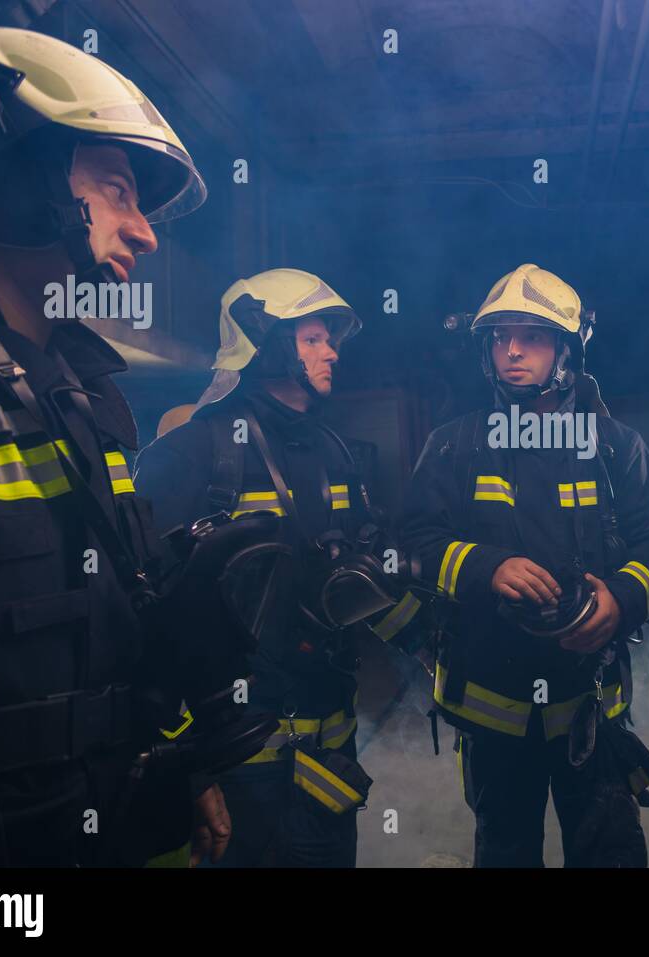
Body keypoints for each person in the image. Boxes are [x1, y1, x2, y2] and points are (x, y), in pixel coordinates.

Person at [0, 20, 226, 866]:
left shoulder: (87, 394)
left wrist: (183, 761)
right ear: (15, 174)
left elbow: (112, 621)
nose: (146, 233)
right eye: (119, 192)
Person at [134, 268, 416, 867]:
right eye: (312, 339)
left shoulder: (333, 451)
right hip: (238, 765)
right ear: (264, 345)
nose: (331, 352)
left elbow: (360, 570)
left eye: (329, 339)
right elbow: (146, 620)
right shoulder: (192, 453)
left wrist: (429, 646)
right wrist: (184, 764)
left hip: (331, 750)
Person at [401, 264, 649, 866]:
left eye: (532, 336)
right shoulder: (453, 444)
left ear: (567, 350)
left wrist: (621, 599)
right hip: (493, 711)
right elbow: (413, 545)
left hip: (590, 705)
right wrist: (484, 567)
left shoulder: (615, 446)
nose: (512, 351)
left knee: (608, 852)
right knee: (505, 852)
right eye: (500, 337)